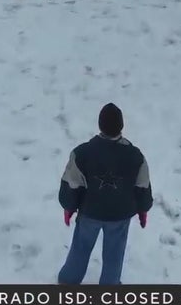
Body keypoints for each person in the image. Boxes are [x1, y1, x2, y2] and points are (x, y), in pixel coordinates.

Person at [58, 103, 153, 285]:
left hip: (89, 213)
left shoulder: (82, 153)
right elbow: (143, 186)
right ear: (121, 126)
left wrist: (69, 207)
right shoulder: (135, 156)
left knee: (81, 246)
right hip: (120, 215)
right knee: (115, 252)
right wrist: (143, 209)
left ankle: (68, 281)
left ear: (99, 124)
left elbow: (72, 183)